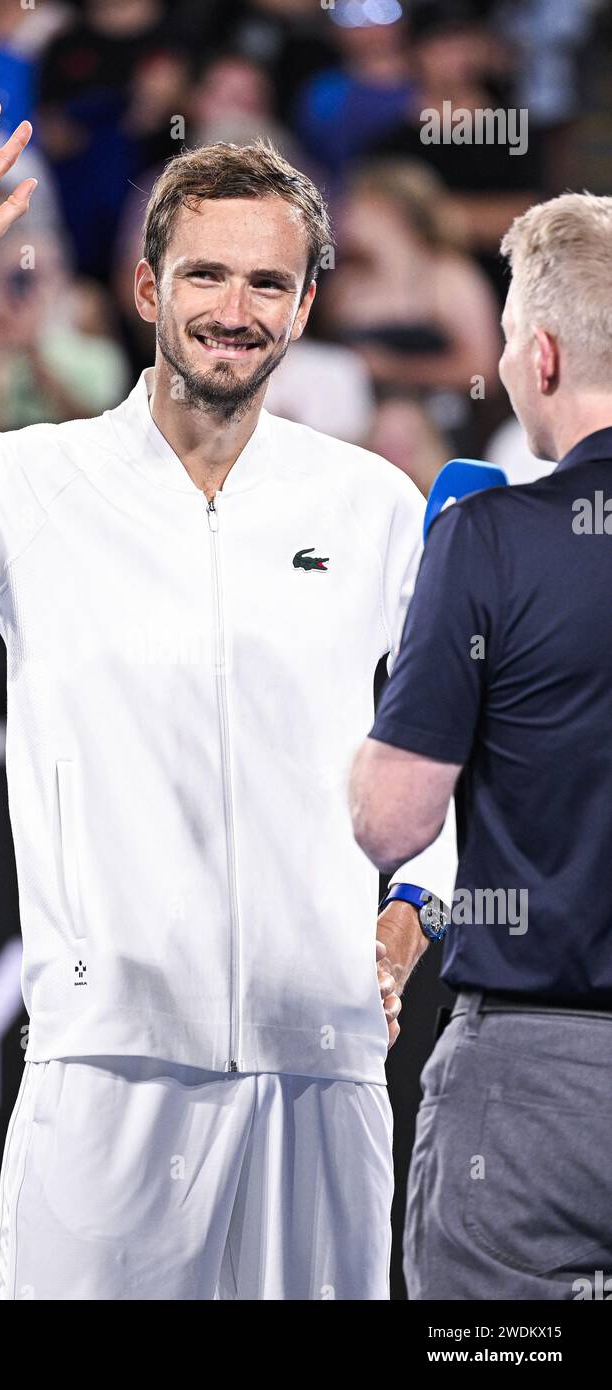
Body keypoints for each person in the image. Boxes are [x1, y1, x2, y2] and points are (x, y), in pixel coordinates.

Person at [0, 98, 455, 1301]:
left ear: (306, 306)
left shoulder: (368, 507)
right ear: (147, 289)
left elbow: (434, 746)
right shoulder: (34, 482)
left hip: (323, 1067)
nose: (232, 310)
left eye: (267, 283)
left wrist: (413, 909)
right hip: (106, 1071)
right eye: (203, 273)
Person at [349, 191, 612, 1300]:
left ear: (540, 353)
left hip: (536, 1082)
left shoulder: (485, 537)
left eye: (505, 335)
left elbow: (394, 820)